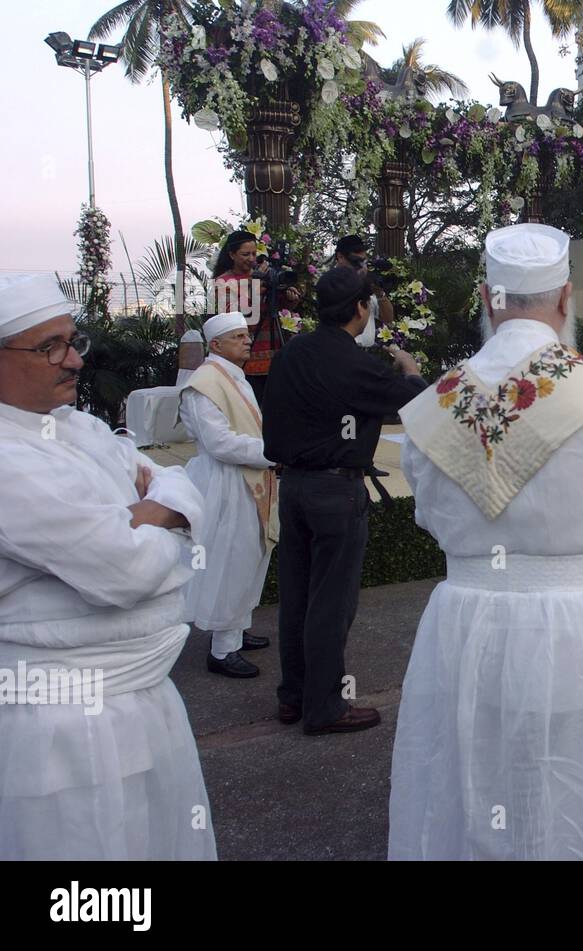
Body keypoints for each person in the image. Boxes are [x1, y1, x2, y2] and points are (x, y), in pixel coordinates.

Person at [389, 223, 583, 860]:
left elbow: (431, 518)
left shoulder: (432, 405)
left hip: (466, 623)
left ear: (489, 299)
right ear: (566, 297)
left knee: (472, 779)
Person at [0, 273, 215, 859]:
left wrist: (146, 511)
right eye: (49, 347)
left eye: (73, 341)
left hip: (146, 700)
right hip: (65, 725)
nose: (72, 360)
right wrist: (165, 516)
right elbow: (122, 572)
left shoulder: (86, 428)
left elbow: (180, 483)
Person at [262, 266, 427, 735]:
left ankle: (293, 696)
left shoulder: (293, 352)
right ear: (361, 309)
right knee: (331, 603)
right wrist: (411, 370)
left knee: (296, 597)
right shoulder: (354, 362)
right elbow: (415, 402)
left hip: (292, 487)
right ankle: (325, 706)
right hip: (335, 492)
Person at [180, 312, 278, 679]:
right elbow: (218, 443)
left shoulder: (233, 377)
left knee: (250, 556)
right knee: (230, 562)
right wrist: (274, 451)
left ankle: (236, 629)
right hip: (225, 483)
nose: (247, 341)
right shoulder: (204, 383)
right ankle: (222, 650)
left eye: (246, 335)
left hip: (248, 479)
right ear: (216, 344)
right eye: (238, 337)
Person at [212, 230, 299, 403]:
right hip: (246, 361)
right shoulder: (224, 281)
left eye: (254, 253)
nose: (251, 259)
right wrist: (252, 292)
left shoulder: (265, 276)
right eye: (245, 254)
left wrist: (289, 299)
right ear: (231, 254)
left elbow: (280, 308)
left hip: (275, 355)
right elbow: (230, 316)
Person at [333, 234, 395, 332]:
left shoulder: (365, 283)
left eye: (364, 262)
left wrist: (380, 294)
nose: (362, 266)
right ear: (340, 257)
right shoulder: (329, 284)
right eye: (357, 262)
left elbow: (388, 320)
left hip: (365, 347)